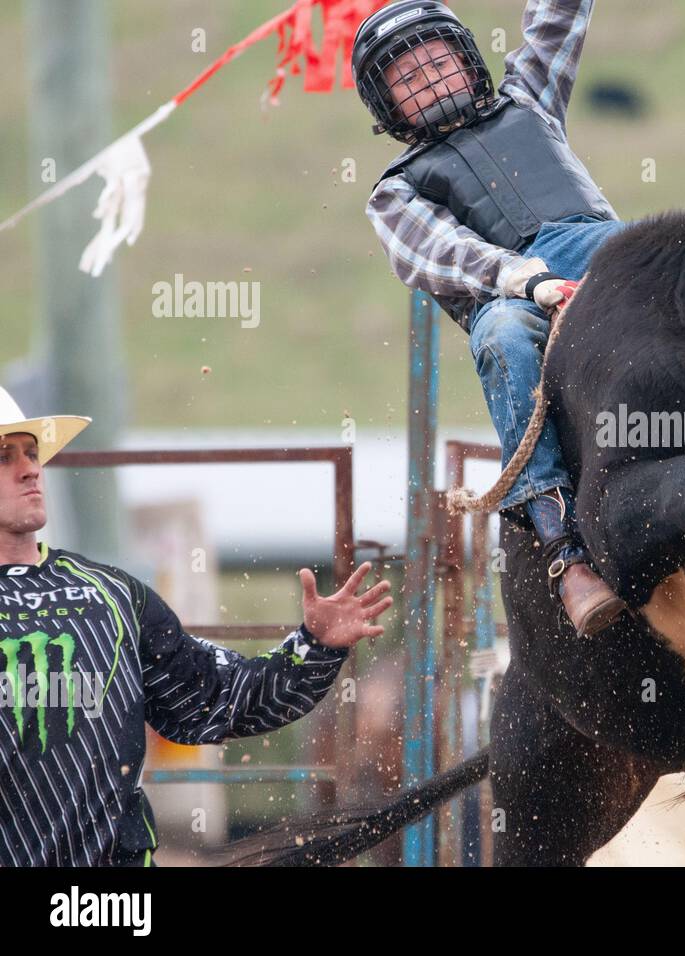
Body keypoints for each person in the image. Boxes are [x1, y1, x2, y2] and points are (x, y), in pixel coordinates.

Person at [0, 387, 393, 866]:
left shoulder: (115, 596)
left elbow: (219, 697)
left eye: (32, 453)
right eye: (5, 456)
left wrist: (313, 646)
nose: (30, 469)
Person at [355, 0, 628, 635]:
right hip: (503, 294)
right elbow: (440, 252)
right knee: (504, 338)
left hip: (601, 248)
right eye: (407, 76)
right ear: (388, 109)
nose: (427, 77)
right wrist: (524, 279)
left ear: (467, 61)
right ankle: (565, 549)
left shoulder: (528, 98)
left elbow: (559, 18)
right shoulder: (395, 191)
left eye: (435, 60)